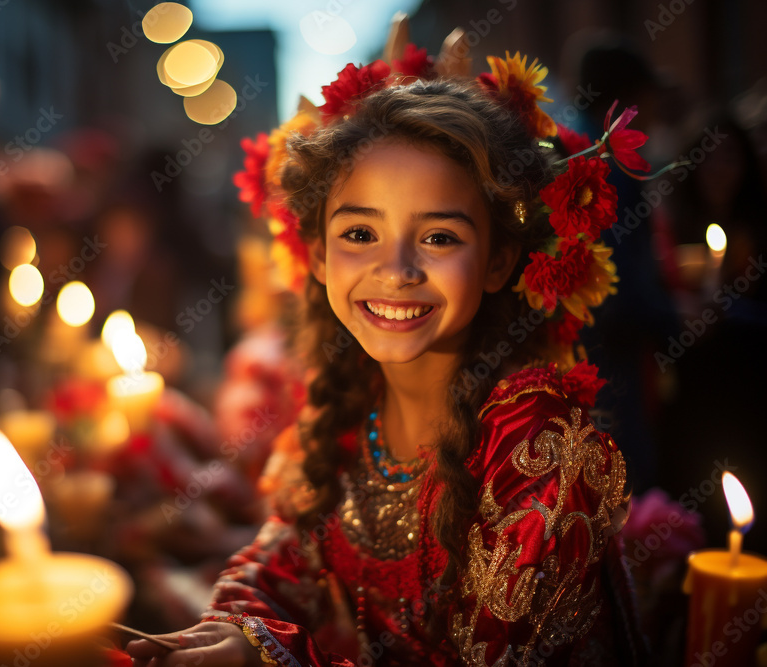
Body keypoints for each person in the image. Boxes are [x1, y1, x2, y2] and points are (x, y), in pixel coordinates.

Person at [128, 34, 648, 666]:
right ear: (319, 256)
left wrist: (270, 657)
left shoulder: (538, 451)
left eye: (438, 237)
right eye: (360, 233)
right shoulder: (348, 398)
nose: (396, 271)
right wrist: (235, 632)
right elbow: (280, 559)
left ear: (498, 260)